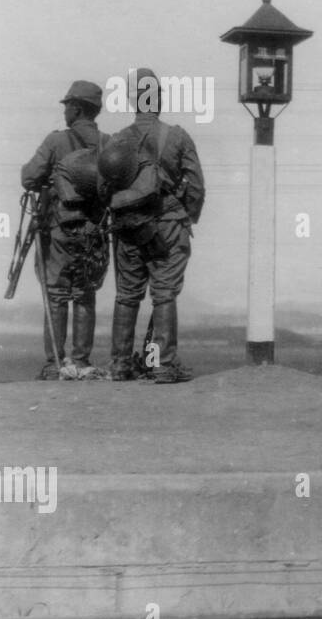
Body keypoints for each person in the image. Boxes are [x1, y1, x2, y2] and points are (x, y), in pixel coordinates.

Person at [99, 67, 205, 384]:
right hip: (168, 225)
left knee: (127, 295)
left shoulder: (117, 139)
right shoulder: (177, 136)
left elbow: (104, 188)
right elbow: (197, 186)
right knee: (164, 294)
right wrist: (185, 215)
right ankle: (161, 364)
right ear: (158, 99)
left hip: (129, 227)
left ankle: (119, 364)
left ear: (133, 102)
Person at [20, 80, 111, 381]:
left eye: (68, 106)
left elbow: (29, 176)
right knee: (85, 293)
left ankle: (54, 364)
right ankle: (82, 361)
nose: (65, 112)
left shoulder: (56, 141)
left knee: (57, 294)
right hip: (94, 231)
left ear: (77, 108)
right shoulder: (109, 143)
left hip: (59, 229)